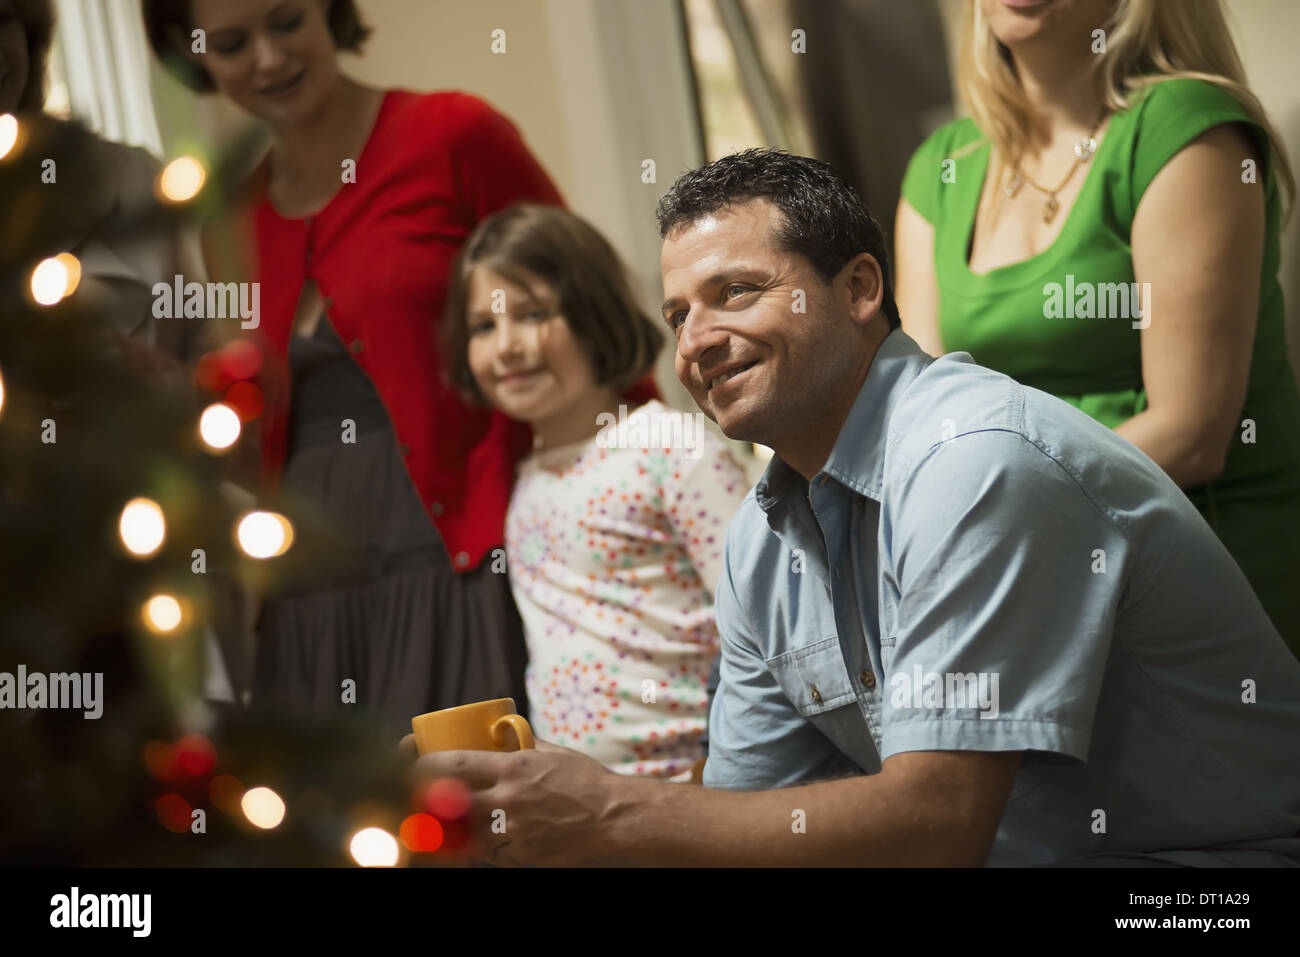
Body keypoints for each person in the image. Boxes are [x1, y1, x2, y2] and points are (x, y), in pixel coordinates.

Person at [408, 149, 1300, 867]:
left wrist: (606, 807)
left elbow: (937, 823)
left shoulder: (974, 460)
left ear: (860, 289)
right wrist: (547, 833)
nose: (696, 341)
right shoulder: (759, 539)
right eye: (678, 313)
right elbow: (742, 824)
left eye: (736, 291)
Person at [143, 0, 659, 735]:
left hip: (467, 558)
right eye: (230, 43)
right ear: (194, 57)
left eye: (286, 20)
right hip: (310, 591)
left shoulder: (454, 135)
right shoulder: (229, 215)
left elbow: (585, 315)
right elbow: (258, 434)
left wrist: (642, 493)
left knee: (494, 819)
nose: (267, 58)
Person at [895, 0, 1300, 653]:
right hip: (1032, 573)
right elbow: (929, 417)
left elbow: (1193, 434)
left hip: (1205, 575)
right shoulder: (940, 168)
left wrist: (989, 521)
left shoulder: (1184, 127)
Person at [440, 204, 750, 779]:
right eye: (485, 325)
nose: (506, 346)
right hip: (573, 805)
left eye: (532, 315)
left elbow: (758, 620)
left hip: (691, 786)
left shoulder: (669, 447)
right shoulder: (523, 474)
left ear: (594, 317)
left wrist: (725, 769)